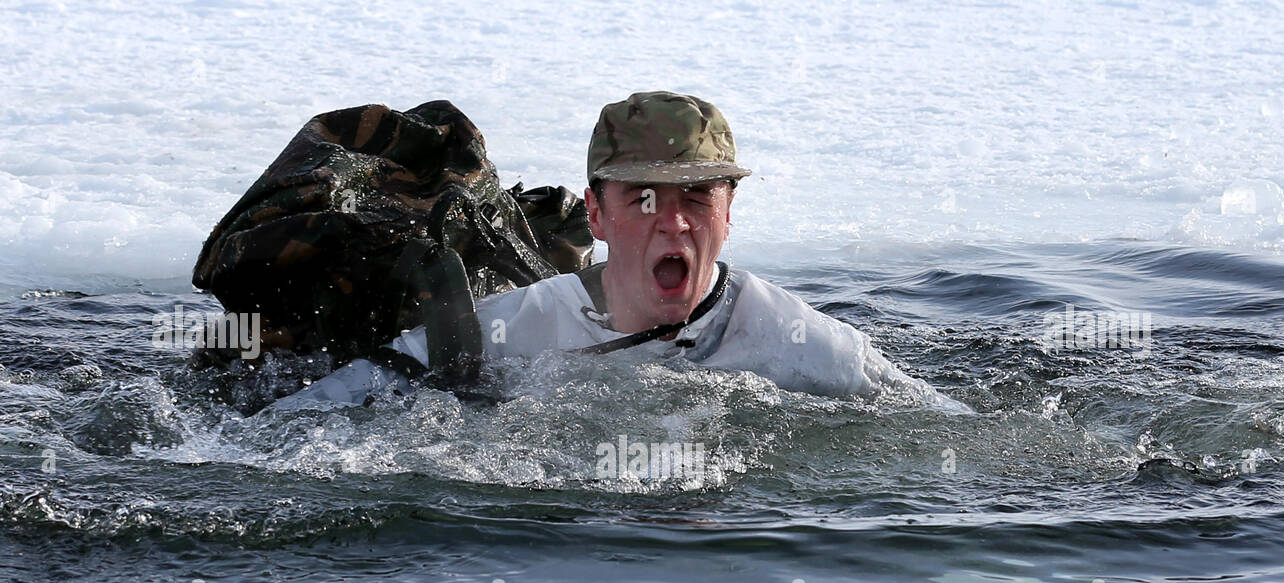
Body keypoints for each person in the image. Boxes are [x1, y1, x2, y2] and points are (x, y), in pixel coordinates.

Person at [273, 91, 950, 411]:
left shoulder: (808, 346)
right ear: (596, 213)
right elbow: (289, 430)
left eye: (698, 199)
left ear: (729, 211)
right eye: (646, 199)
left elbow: (957, 438)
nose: (675, 225)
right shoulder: (503, 333)